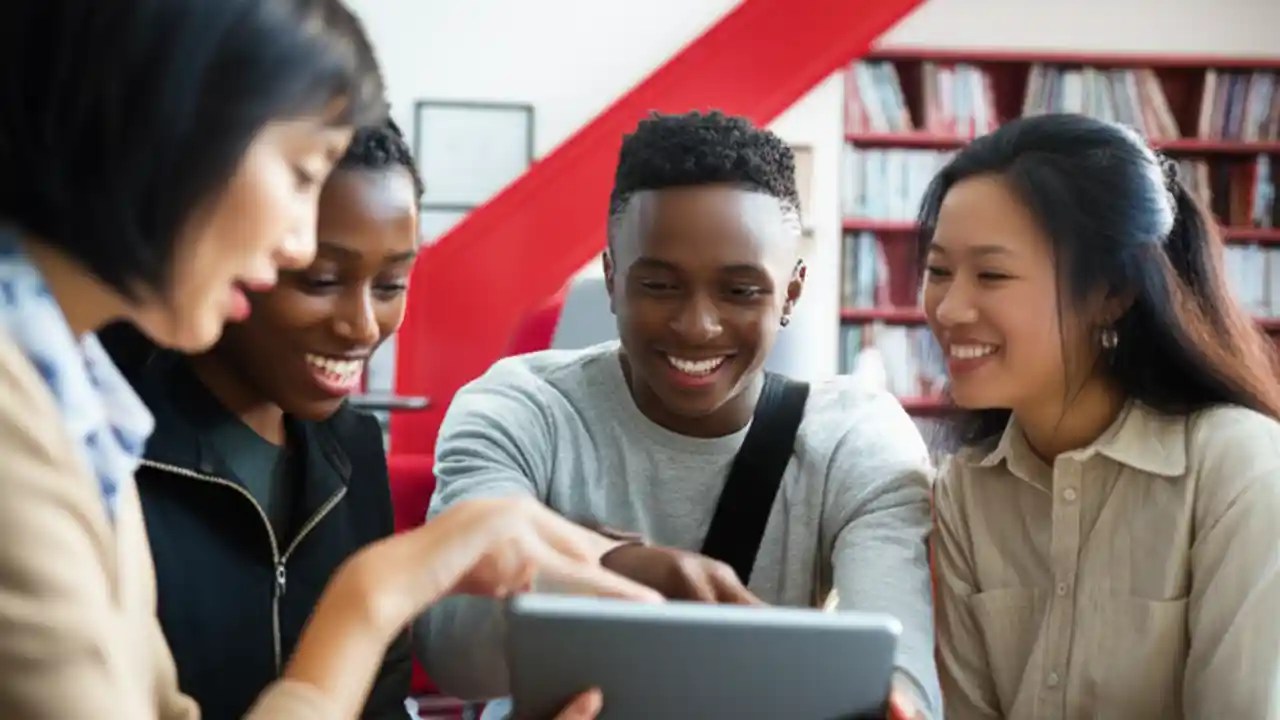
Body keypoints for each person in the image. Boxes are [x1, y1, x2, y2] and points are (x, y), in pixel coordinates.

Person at [0, 2, 657, 719]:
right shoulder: (26, 422)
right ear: (170, 124)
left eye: (392, 281)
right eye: (299, 172)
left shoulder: (80, 409)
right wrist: (376, 593)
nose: (290, 240)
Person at [416, 110, 941, 719]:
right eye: (660, 286)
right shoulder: (520, 409)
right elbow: (452, 644)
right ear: (612, 279)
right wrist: (606, 571)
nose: (697, 326)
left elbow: (901, 660)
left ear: (791, 293)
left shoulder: (857, 438)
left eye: (740, 291)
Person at [923, 113, 1280, 719]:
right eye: (937, 271)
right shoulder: (965, 491)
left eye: (992, 274)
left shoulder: (1238, 466)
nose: (950, 308)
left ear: (1112, 291)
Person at [106, 119, 422, 720]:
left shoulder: (353, 446)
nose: (362, 325)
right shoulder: (111, 449)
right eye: (322, 280)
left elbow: (379, 704)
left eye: (391, 284)